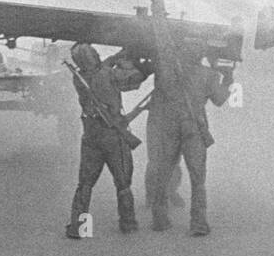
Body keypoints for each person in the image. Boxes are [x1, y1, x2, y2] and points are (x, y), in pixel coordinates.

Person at [145, 43, 232, 236]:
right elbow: (219, 100)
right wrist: (228, 78)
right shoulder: (209, 75)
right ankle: (198, 222)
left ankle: (159, 219)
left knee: (163, 172)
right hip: (194, 128)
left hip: (170, 127)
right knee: (198, 178)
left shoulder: (168, 71)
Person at [65, 43, 146, 237]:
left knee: (85, 183)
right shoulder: (109, 74)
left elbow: (98, 70)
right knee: (123, 183)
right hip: (113, 135)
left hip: (91, 135)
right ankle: (128, 223)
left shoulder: (79, 78)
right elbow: (135, 80)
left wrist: (115, 58)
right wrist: (128, 63)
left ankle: (78, 228)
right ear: (94, 56)